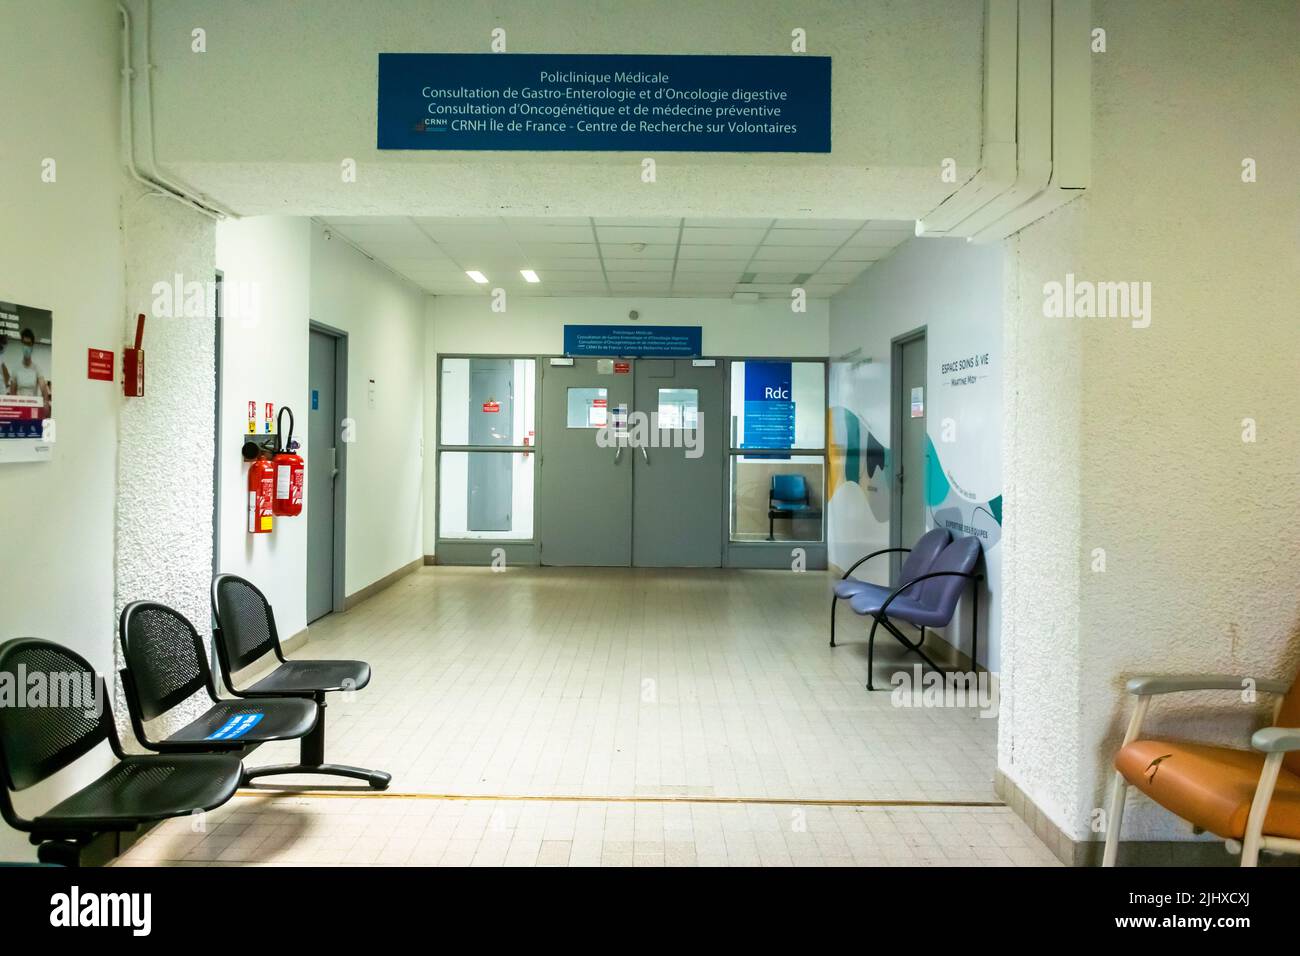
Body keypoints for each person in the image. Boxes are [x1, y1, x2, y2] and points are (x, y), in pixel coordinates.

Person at [7, 328, 50, 413]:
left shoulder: (37, 369)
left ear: (32, 345)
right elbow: (12, 394)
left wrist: (46, 403)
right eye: (24, 343)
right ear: (22, 344)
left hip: (33, 409)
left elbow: (44, 389)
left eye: (29, 344)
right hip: (19, 410)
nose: (26, 347)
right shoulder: (16, 369)